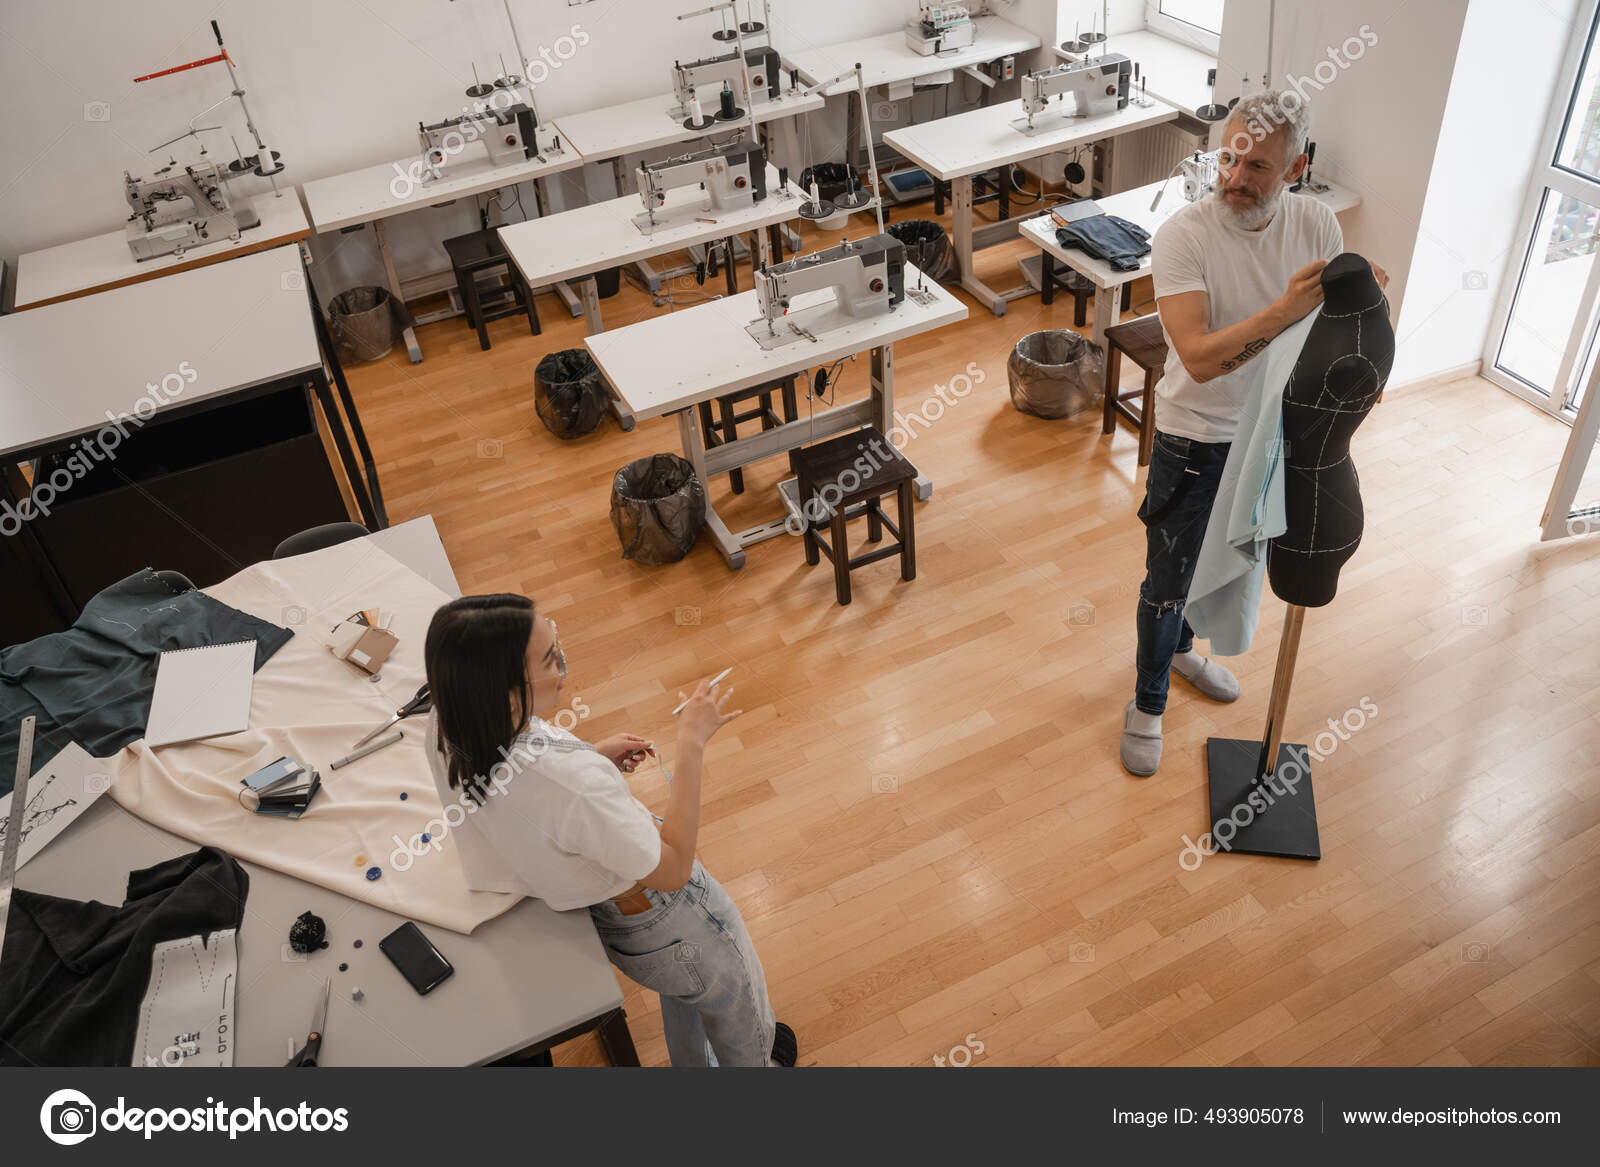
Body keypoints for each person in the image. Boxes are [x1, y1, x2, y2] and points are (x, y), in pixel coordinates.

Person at [1121, 90, 1389, 777]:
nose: (1236, 179)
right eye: (1230, 160)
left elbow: (1326, 331)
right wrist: (1283, 309)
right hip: (1196, 434)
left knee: (1231, 563)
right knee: (1167, 575)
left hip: (1271, 434)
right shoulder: (1184, 236)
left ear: (1296, 166)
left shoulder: (1318, 228)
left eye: (1259, 167)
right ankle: (1148, 700)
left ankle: (1181, 650)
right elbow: (1203, 361)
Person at [421, 593, 796, 1067]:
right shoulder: (572, 787)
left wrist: (590, 755)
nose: (563, 665)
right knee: (732, 1003)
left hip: (616, 917)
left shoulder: (447, 724)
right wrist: (692, 743)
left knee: (689, 993)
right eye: (549, 658)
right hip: (666, 913)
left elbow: (530, 797)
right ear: (506, 688)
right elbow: (674, 868)